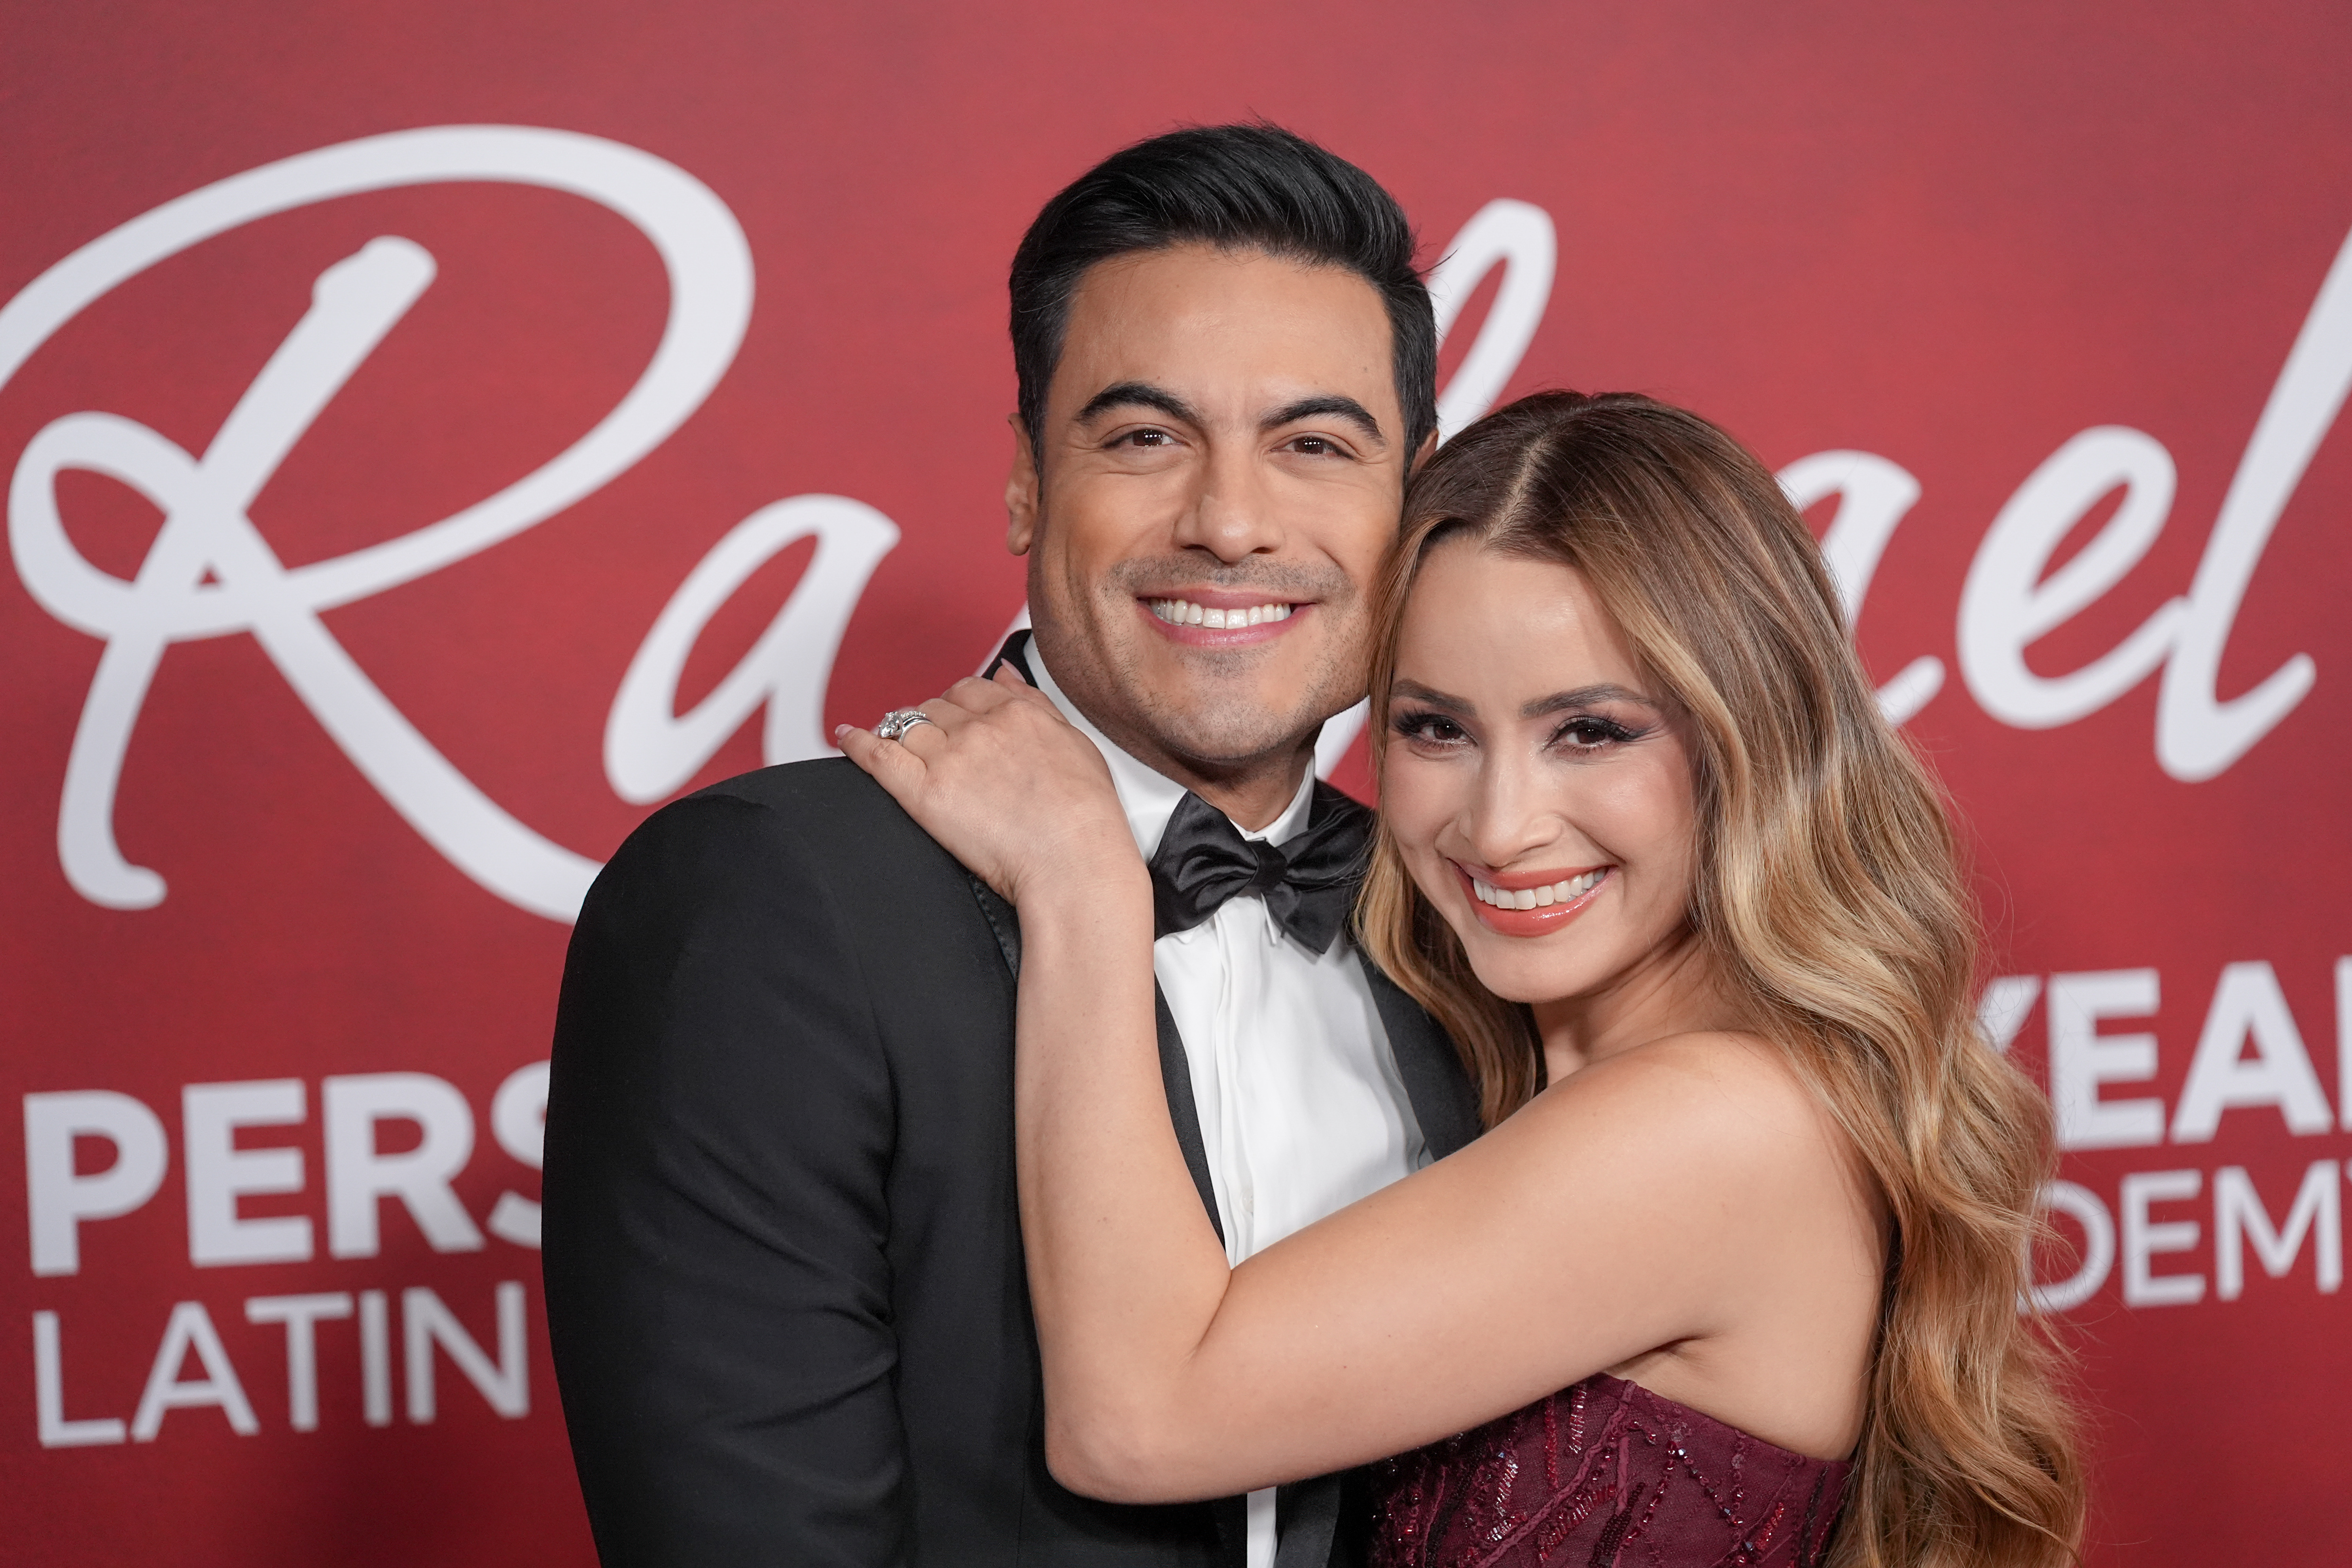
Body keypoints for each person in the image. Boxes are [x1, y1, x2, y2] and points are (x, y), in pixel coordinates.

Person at [839, 391, 2087, 1568]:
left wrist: (1084, 884)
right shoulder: (1513, 1061)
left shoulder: (1714, 1121)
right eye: (1435, 727)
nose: (1497, 826)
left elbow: (1138, 1417)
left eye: (1589, 731)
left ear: (1747, 737)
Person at [542, 123, 1482, 1567]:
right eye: (1144, 437)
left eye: (1313, 444)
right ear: (1028, 486)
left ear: (1411, 497)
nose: (1231, 521)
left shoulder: (1467, 910)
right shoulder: (764, 903)